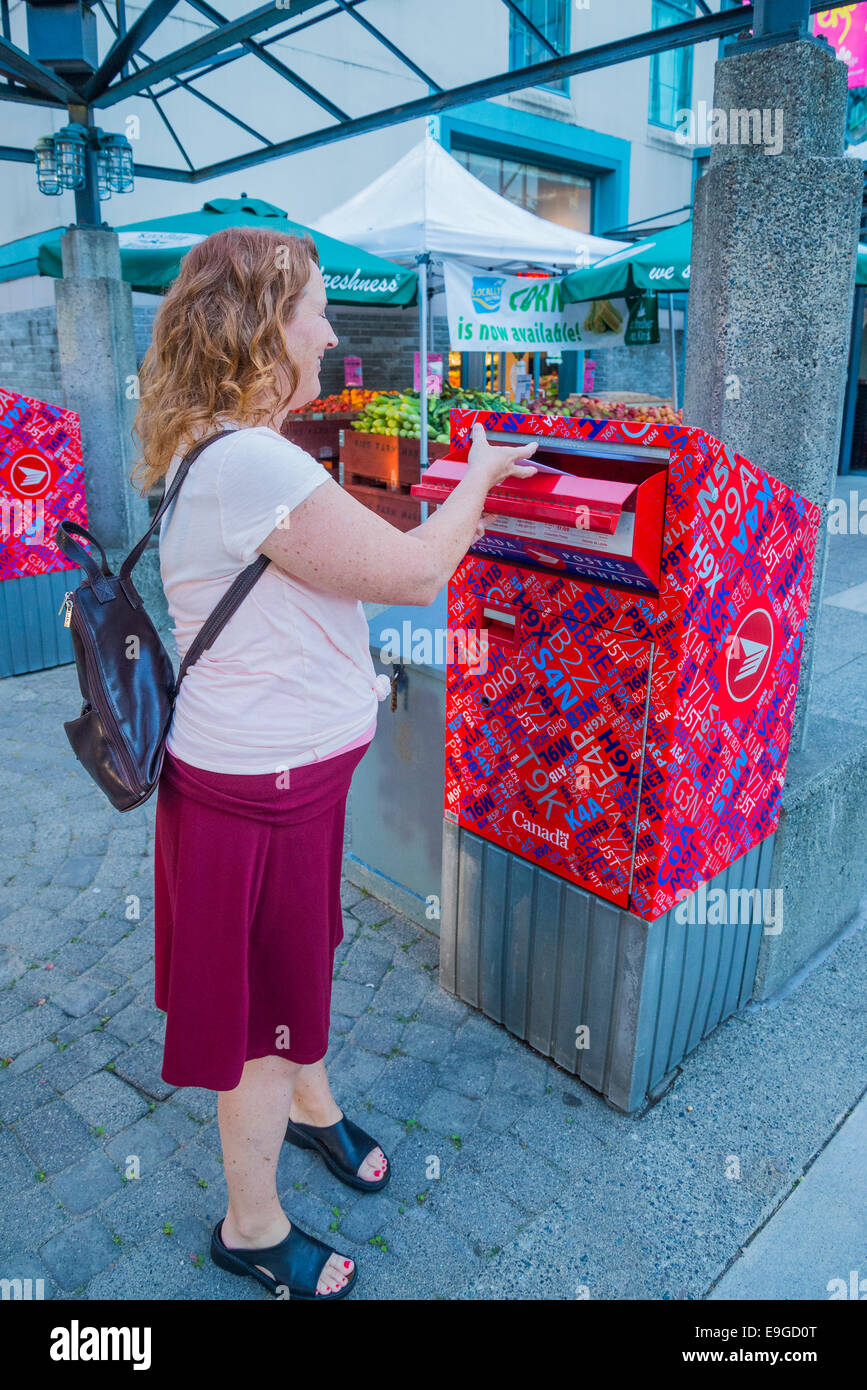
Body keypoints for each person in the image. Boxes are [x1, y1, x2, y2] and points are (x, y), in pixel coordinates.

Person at [131, 225, 537, 1301]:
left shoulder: (220, 448)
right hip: (260, 791)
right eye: (315, 306)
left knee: (299, 961)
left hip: (273, 783)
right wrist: (482, 478)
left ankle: (313, 1110)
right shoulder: (253, 459)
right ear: (267, 325)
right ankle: (252, 1224)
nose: (331, 327)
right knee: (264, 1011)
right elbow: (411, 572)